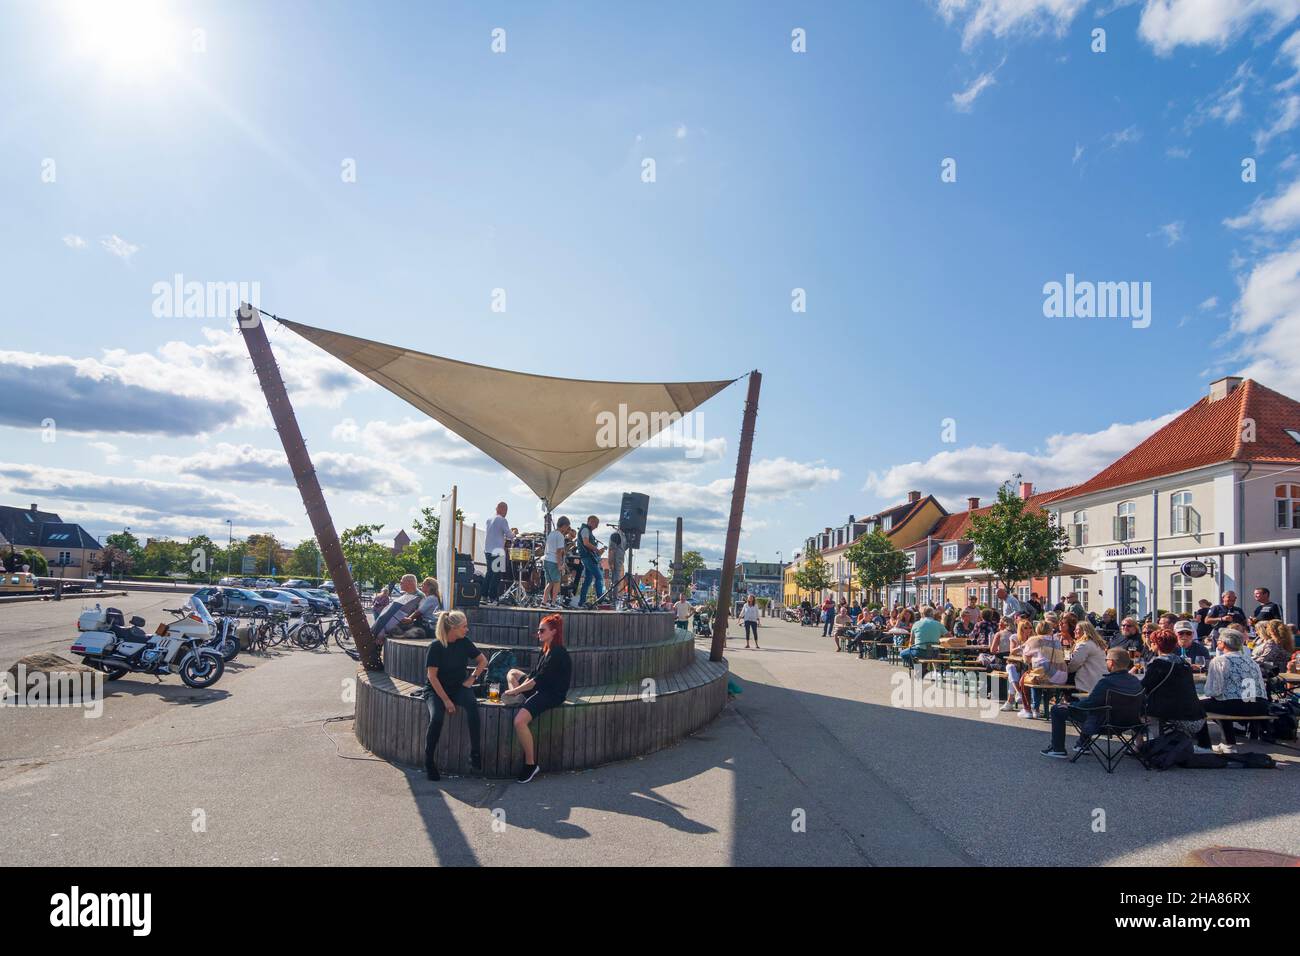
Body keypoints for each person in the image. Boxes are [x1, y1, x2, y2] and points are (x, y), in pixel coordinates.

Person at [503, 613, 572, 782]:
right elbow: (534, 675)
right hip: (540, 688)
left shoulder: (558, 653)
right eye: (538, 630)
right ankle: (520, 698)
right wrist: (519, 688)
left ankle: (531, 764)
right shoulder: (546, 649)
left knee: (519, 722)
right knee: (512, 672)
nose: (538, 633)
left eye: (542, 630)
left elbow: (537, 681)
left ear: (553, 632)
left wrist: (514, 691)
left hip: (552, 694)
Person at [1041, 648, 1144, 758]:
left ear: (1112, 662)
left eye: (1106, 660)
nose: (1105, 662)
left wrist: (1070, 705)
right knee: (1091, 709)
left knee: (1058, 709)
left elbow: (1089, 704)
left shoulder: (1106, 682)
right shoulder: (1135, 681)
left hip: (1104, 724)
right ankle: (1082, 744)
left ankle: (1058, 749)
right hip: (1129, 723)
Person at [423, 610, 487, 781]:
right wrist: (446, 700)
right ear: (453, 628)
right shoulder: (436, 646)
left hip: (459, 687)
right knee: (437, 718)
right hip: (436, 690)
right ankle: (429, 761)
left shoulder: (464, 642)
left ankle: (475, 753)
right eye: (464, 626)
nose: (467, 629)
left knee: (472, 707)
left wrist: (472, 679)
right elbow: (432, 677)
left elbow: (483, 661)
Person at [1141, 629, 1211, 750]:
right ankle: (1205, 746)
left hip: (1174, 714)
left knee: (1135, 706)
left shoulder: (1157, 665)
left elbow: (1144, 687)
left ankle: (1142, 745)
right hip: (1196, 715)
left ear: (1155, 644)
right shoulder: (1184, 663)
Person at [1202, 630, 1270, 753]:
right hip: (1259, 705)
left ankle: (1204, 745)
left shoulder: (1219, 660)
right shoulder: (1252, 661)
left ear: (1223, 643)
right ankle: (1227, 743)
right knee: (1221, 701)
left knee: (1200, 705)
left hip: (1235, 706)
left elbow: (1214, 691)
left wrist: (1204, 695)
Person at [1015, 616, 1070, 719]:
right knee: (1036, 676)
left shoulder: (1034, 640)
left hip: (1047, 676)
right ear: (1050, 630)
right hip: (1062, 675)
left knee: (1025, 679)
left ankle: (1029, 710)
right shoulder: (1056, 640)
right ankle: (1036, 708)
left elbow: (1026, 660)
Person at [1067, 620, 1108, 694]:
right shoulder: (1096, 644)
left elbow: (1075, 664)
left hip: (1088, 682)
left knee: (1061, 680)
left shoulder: (1084, 644)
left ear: (1085, 631)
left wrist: (1066, 670)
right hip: (1099, 679)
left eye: (1077, 629)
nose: (1074, 631)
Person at [482, 501, 511, 604]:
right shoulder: (502, 520)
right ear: (501, 509)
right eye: (506, 510)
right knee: (497, 575)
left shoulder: (489, 520)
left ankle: (484, 596)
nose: (506, 512)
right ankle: (493, 597)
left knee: (489, 573)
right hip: (498, 551)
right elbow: (509, 535)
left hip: (488, 550)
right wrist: (514, 533)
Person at [574, 515, 605, 608]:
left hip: (587, 557)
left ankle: (582, 601)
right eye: (596, 524)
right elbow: (586, 543)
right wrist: (597, 550)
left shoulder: (586, 530)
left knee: (588, 580)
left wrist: (597, 551)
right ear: (591, 522)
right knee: (599, 577)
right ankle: (600, 599)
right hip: (587, 557)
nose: (597, 526)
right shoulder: (585, 530)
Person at [542, 517, 568, 608]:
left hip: (546, 559)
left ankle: (544, 602)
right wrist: (560, 565)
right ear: (564, 526)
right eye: (567, 527)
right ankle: (553, 603)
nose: (567, 529)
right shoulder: (560, 536)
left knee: (550, 583)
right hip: (553, 561)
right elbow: (558, 552)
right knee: (556, 583)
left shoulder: (551, 534)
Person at [605, 528, 625, 604]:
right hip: (616, 561)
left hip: (619, 561)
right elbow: (611, 550)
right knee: (615, 581)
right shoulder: (616, 535)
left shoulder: (623, 536)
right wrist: (611, 563)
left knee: (615, 580)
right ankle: (613, 598)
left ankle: (613, 598)